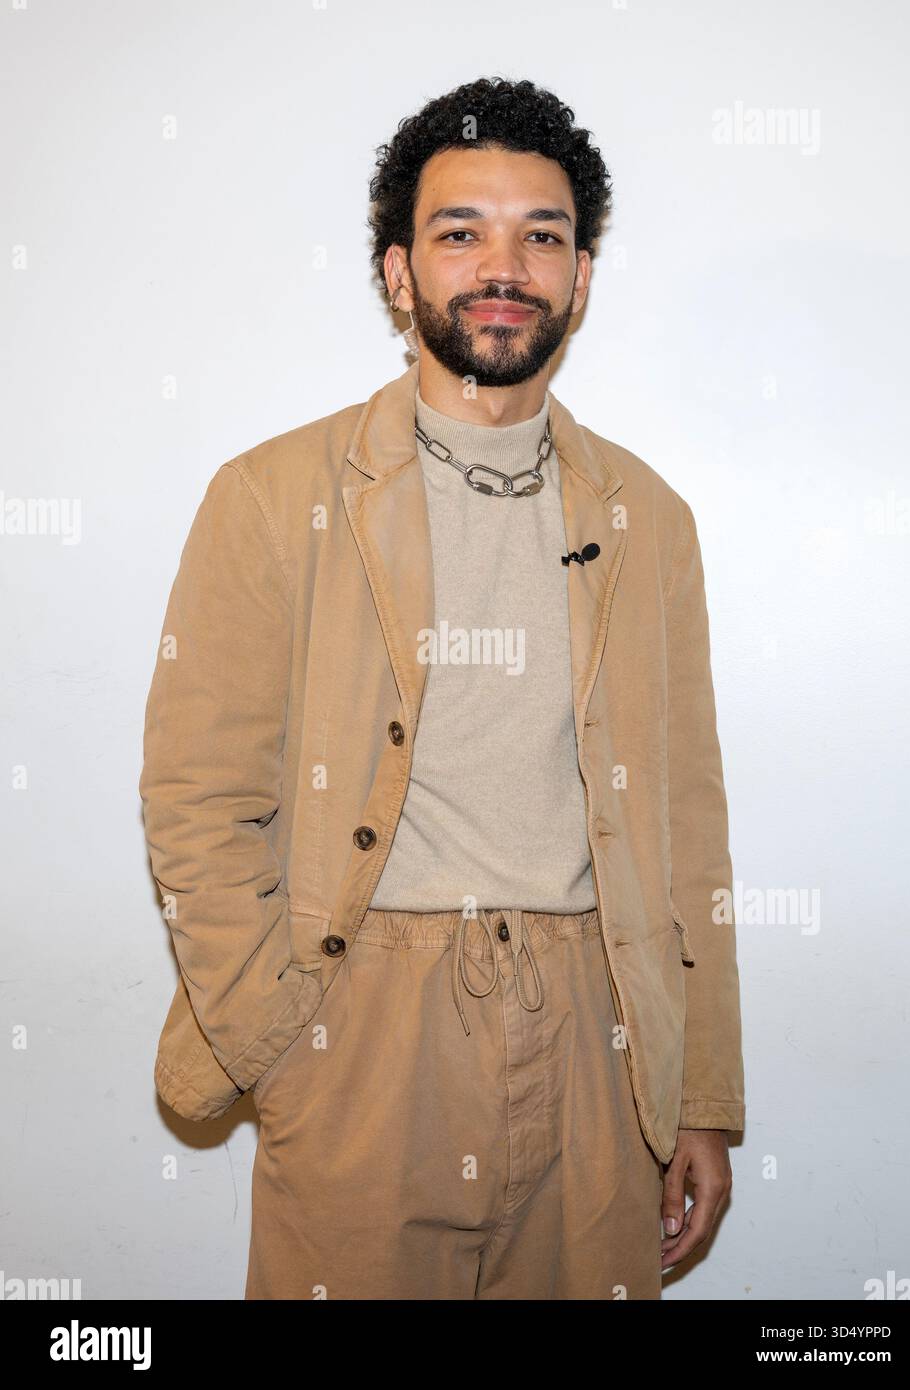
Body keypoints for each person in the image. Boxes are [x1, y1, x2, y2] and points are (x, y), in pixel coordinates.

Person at [139, 76, 745, 1301]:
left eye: (543, 234)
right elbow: (197, 797)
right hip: (365, 1022)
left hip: (599, 1025)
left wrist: (700, 1094)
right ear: (396, 274)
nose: (502, 264)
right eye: (459, 231)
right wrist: (284, 1035)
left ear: (581, 275)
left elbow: (688, 822)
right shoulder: (271, 496)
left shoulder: (647, 518)